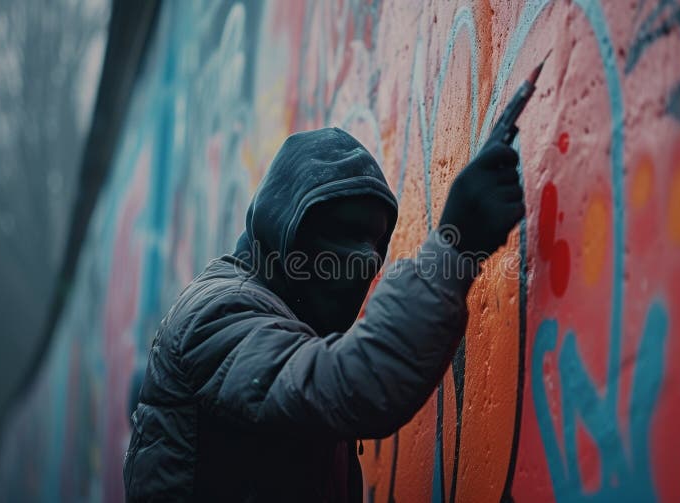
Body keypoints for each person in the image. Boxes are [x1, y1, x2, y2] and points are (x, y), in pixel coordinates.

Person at [123, 127, 524, 501]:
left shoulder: (283, 318)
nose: (366, 258)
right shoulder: (219, 312)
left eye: (374, 241)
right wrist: (455, 246)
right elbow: (357, 384)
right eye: (345, 231)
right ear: (283, 230)